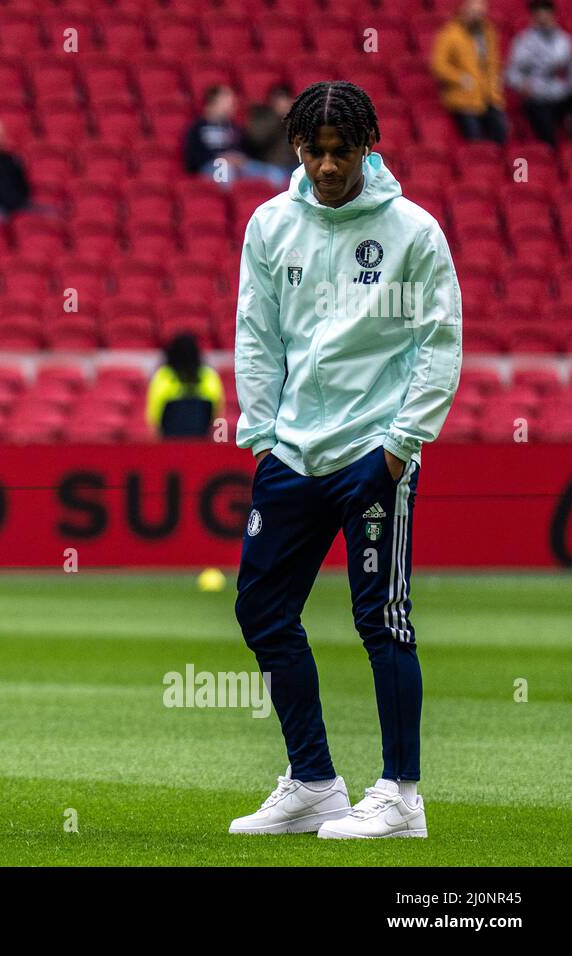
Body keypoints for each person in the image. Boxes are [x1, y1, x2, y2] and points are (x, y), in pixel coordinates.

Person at [229, 82, 461, 839]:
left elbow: (439, 343)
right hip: (291, 453)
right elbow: (257, 333)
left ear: (368, 147)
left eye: (342, 152)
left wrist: (399, 448)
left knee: (381, 620)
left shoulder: (413, 231)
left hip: (373, 453)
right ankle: (314, 782)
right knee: (261, 612)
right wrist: (263, 437)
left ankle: (400, 797)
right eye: (314, 152)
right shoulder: (270, 225)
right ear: (297, 149)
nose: (327, 166)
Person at [431, 0, 508, 143]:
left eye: (480, 12)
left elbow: (493, 60)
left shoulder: (488, 31)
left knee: (501, 133)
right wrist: (460, 78)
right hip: (464, 98)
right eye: (473, 12)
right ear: (463, 10)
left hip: (489, 95)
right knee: (475, 139)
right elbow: (438, 65)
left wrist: (495, 80)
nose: (477, 16)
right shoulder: (450, 34)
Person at [183, 85, 289, 187]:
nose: (232, 103)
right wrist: (221, 158)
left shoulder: (234, 128)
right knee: (226, 172)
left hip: (239, 165)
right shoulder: (198, 128)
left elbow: (247, 150)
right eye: (226, 99)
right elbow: (193, 158)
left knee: (276, 173)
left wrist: (240, 157)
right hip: (214, 165)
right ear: (213, 102)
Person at [506, 0, 572, 145]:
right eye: (539, 14)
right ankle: (550, 149)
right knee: (547, 134)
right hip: (537, 95)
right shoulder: (524, 41)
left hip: (559, 92)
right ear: (534, 17)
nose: (543, 18)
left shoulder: (563, 39)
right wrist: (521, 84)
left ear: (553, 15)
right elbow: (511, 73)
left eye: (546, 14)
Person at [144, 333, 224, 438]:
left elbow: (153, 417)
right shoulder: (209, 375)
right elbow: (218, 414)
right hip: (201, 442)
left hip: (170, 443)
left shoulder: (163, 376)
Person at [242, 84, 298, 181]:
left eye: (286, 99)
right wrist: (277, 116)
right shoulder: (260, 115)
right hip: (270, 165)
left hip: (294, 165)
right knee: (277, 176)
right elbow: (257, 139)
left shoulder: (297, 117)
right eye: (278, 100)